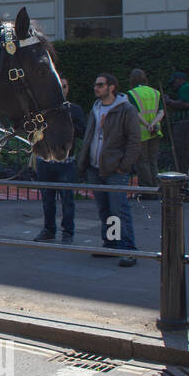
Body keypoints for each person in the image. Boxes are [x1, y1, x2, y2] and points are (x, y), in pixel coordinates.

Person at [75, 73, 140, 267]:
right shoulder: (95, 108)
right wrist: (84, 163)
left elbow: (134, 141)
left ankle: (128, 249)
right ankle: (111, 244)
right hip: (95, 168)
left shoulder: (126, 110)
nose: (96, 88)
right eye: (96, 84)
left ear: (112, 87)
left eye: (100, 85)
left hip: (114, 169)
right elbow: (89, 137)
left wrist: (124, 166)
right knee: (105, 210)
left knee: (119, 209)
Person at [33, 76, 87, 243]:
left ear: (67, 89)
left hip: (66, 162)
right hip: (46, 161)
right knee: (47, 199)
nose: (61, 89)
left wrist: (68, 125)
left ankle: (67, 232)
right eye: (59, 86)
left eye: (64, 86)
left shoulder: (74, 110)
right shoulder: (43, 110)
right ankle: (49, 230)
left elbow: (83, 132)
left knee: (67, 200)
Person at [126, 68, 163, 187]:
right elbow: (161, 112)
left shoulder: (132, 94)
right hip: (155, 131)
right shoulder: (156, 92)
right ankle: (157, 187)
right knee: (153, 161)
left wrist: (147, 125)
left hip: (141, 133)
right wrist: (153, 124)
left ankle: (147, 189)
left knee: (142, 161)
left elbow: (135, 113)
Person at [164, 70, 189, 176]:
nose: (173, 86)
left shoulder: (185, 88)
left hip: (187, 123)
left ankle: (180, 173)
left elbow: (186, 104)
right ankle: (182, 171)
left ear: (180, 80)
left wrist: (169, 101)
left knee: (181, 149)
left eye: (174, 82)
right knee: (184, 150)